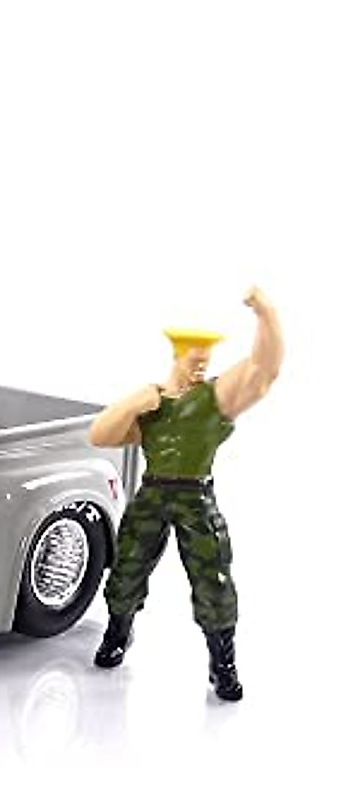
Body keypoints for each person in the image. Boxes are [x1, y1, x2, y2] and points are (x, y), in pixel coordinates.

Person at [88, 287, 284, 700]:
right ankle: (117, 632)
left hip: (195, 495)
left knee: (213, 576)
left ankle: (222, 663)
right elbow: (100, 434)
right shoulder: (153, 403)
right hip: (153, 493)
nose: (201, 369)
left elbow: (265, 370)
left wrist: (265, 313)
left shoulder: (214, 398)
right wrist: (134, 402)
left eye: (205, 363)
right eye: (195, 362)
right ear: (177, 357)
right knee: (127, 566)